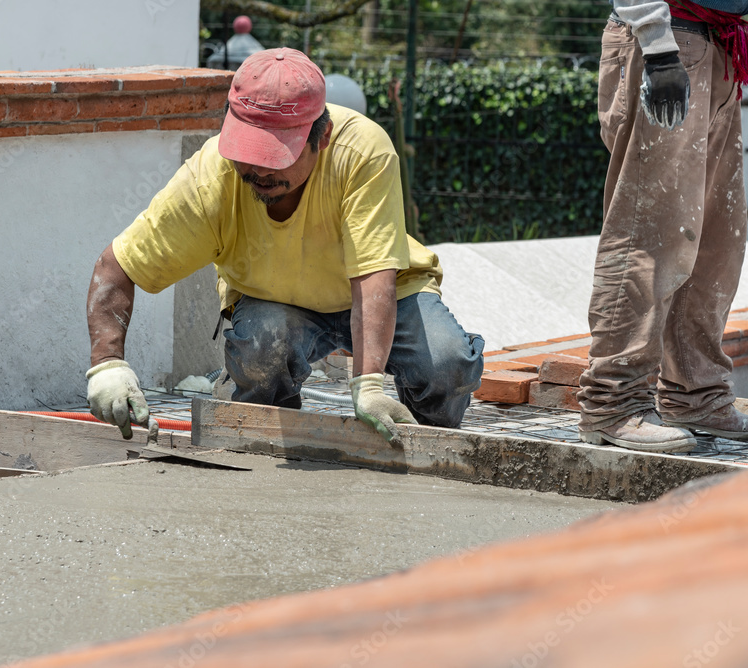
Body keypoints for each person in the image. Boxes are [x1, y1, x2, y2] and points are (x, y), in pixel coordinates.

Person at [85, 48, 484, 442]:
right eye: (249, 153)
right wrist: (107, 367)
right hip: (276, 304)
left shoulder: (361, 152)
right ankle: (263, 424)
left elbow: (373, 276)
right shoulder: (211, 178)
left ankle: (426, 438)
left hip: (384, 293)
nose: (259, 170)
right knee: (261, 351)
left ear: (322, 136)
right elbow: (116, 267)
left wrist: (369, 387)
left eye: (276, 156)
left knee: (446, 365)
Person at [577, 0, 748, 452]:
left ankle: (696, 394)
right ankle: (612, 401)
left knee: (714, 243)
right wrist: (659, 49)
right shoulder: (663, 46)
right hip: (669, 44)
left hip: (716, 43)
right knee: (651, 232)